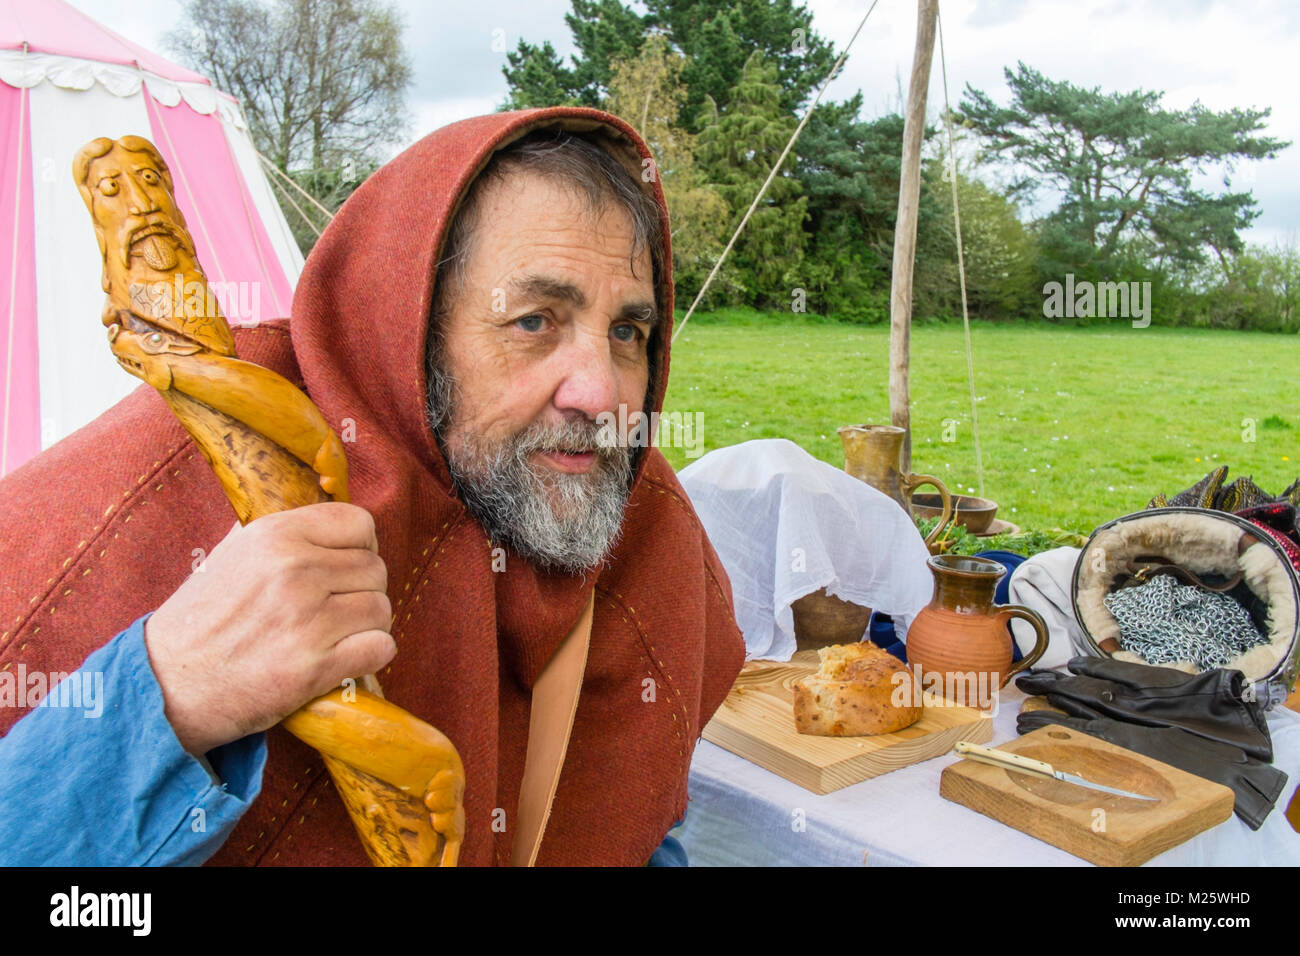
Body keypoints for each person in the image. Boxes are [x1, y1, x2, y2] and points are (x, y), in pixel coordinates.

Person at [0, 107, 746, 866]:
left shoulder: (643, 528)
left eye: (627, 332)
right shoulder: (149, 494)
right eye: (534, 321)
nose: (601, 393)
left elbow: (646, 836)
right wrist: (169, 693)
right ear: (407, 327)